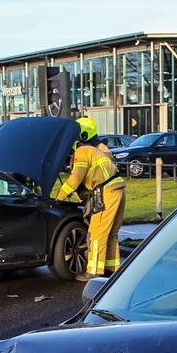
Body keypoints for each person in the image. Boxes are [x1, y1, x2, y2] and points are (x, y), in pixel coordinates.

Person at [56, 117, 126, 281]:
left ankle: (93, 271)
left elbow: (75, 179)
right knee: (111, 233)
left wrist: (59, 198)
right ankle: (112, 268)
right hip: (118, 188)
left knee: (97, 232)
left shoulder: (82, 151)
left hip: (106, 192)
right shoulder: (98, 149)